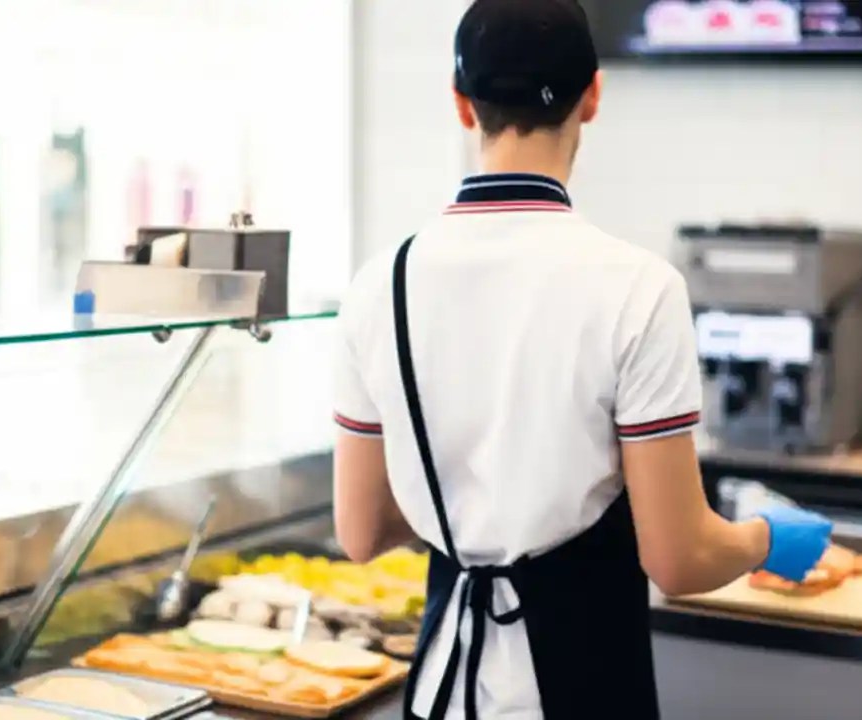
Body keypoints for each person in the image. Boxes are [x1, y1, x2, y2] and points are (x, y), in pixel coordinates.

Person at [331, 1, 833, 718]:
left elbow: (363, 531)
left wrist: (474, 493)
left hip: (445, 689)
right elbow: (679, 557)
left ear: (460, 103)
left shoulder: (380, 283)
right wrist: (765, 540)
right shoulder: (638, 287)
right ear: (593, 96)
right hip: (579, 686)